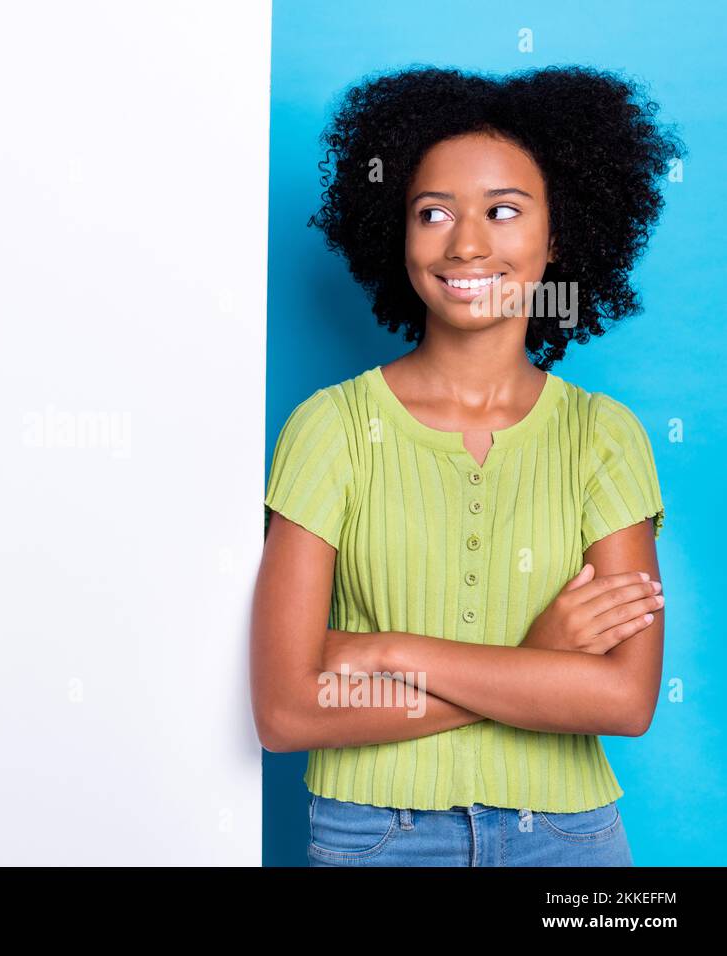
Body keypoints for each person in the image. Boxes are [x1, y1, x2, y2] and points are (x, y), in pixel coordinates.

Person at [251, 65, 683, 866]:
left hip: (569, 840)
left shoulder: (603, 436)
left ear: (558, 237)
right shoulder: (330, 428)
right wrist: (540, 671)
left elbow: (624, 700)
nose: (468, 243)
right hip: (374, 837)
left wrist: (387, 651)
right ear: (398, 229)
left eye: (504, 211)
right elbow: (287, 710)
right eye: (433, 212)